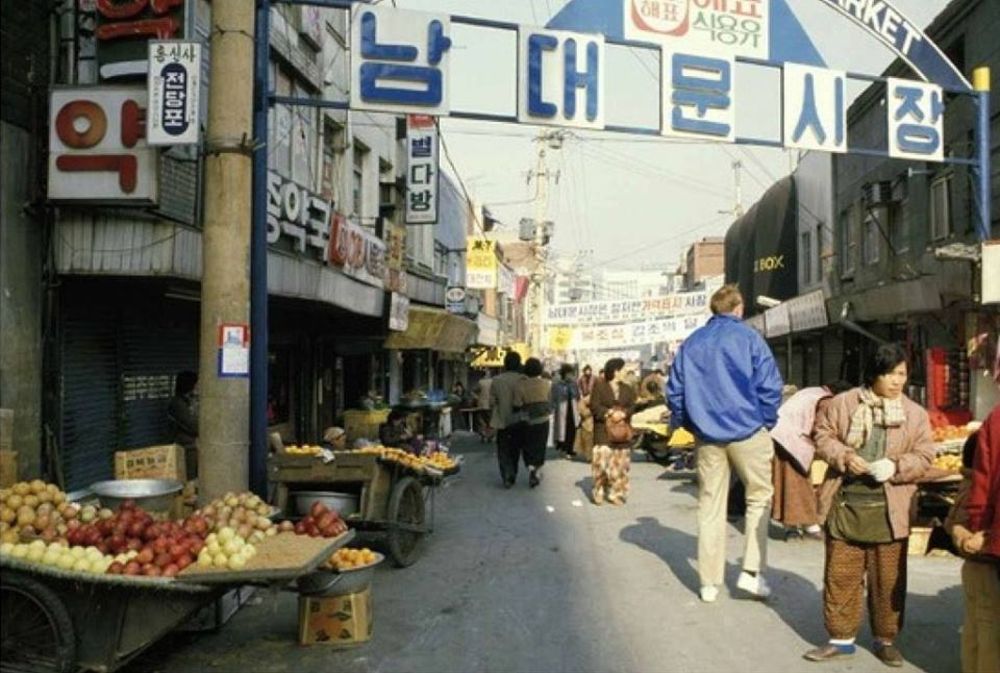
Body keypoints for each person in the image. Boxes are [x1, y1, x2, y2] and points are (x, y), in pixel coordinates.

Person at [804, 343, 935, 667]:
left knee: (888, 580)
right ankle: (840, 639)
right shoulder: (842, 404)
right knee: (841, 575)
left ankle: (886, 639)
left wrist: (896, 466)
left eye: (902, 374)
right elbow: (822, 436)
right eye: (889, 373)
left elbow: (925, 456)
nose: (896, 381)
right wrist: (845, 457)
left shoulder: (915, 414)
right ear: (873, 374)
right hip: (846, 505)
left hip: (890, 511)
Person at [666, 284, 783, 603]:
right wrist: (765, 421)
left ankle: (708, 583)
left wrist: (692, 423)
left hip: (707, 435)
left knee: (710, 504)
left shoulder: (691, 343)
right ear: (739, 308)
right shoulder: (749, 339)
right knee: (758, 497)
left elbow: (674, 391)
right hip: (748, 430)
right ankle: (750, 573)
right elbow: (770, 385)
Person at [945, 404, 999, 673]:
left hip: (981, 556)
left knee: (979, 625)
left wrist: (968, 533)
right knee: (987, 628)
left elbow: (958, 520)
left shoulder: (994, 420)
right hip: (985, 559)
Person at [770, 380, 854, 540]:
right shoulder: (826, 400)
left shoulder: (814, 392)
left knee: (786, 484)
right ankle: (810, 526)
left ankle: (792, 526)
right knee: (799, 484)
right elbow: (820, 428)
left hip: (780, 435)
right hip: (792, 440)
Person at [590, 358, 637, 505]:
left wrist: (624, 414)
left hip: (621, 432)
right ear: (616, 371)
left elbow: (632, 406)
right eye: (623, 369)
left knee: (619, 465)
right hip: (603, 431)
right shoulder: (599, 387)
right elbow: (594, 406)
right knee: (601, 464)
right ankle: (598, 490)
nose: (625, 372)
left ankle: (615, 493)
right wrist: (609, 413)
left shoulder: (627, 389)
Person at [514, 358, 552, 488]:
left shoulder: (521, 385)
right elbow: (550, 402)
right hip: (543, 420)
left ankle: (530, 467)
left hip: (527, 420)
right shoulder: (546, 384)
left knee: (528, 445)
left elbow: (517, 403)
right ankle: (537, 469)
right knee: (540, 446)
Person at [491, 352, 527, 488]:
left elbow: (492, 401)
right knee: (515, 449)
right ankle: (513, 473)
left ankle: (506, 474)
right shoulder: (523, 379)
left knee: (503, 449)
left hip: (502, 421)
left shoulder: (497, 380)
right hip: (519, 420)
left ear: (505, 364)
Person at [167, 370, 199, 480]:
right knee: (189, 479)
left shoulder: (192, 400)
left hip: (194, 446)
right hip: (185, 447)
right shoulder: (178, 404)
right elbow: (194, 426)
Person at [551, 364, 580, 459]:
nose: (570, 376)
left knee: (572, 429)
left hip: (572, 409)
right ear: (564, 374)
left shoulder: (574, 384)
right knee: (562, 431)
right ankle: (563, 449)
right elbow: (553, 397)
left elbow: (578, 396)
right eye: (569, 374)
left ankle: (570, 449)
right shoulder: (557, 384)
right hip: (561, 410)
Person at [473, 371, 494, 442]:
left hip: (481, 404)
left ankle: (483, 434)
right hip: (490, 404)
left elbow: (473, 392)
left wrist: (477, 398)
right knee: (490, 421)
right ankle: (490, 436)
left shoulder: (480, 382)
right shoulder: (493, 382)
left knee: (481, 421)